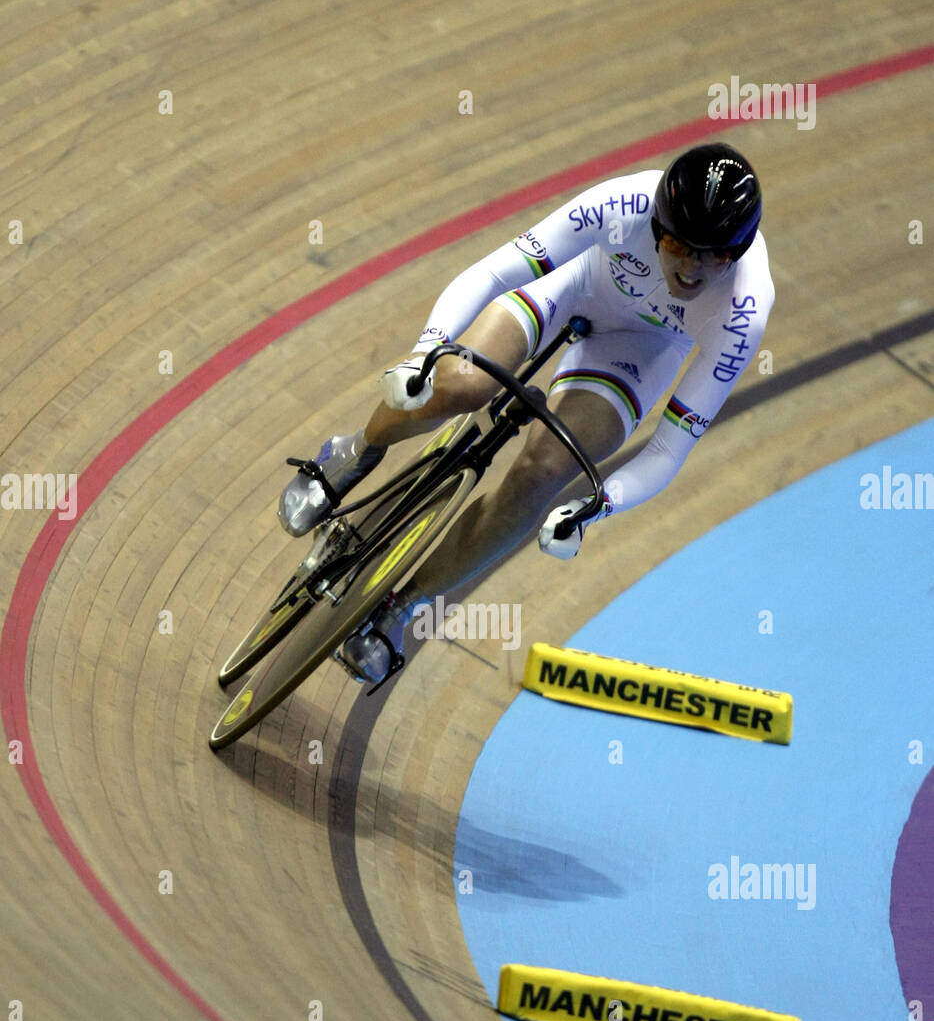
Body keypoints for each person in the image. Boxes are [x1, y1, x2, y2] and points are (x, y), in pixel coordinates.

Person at [278, 142, 774, 685]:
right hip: (575, 289)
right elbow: (495, 273)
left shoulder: (743, 311)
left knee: (544, 472)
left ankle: (403, 608)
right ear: (657, 226)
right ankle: (350, 454)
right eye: (681, 245)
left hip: (639, 352)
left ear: (738, 251)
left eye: (715, 255)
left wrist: (596, 507)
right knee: (460, 385)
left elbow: (668, 448)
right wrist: (425, 354)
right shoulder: (624, 203)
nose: (693, 267)